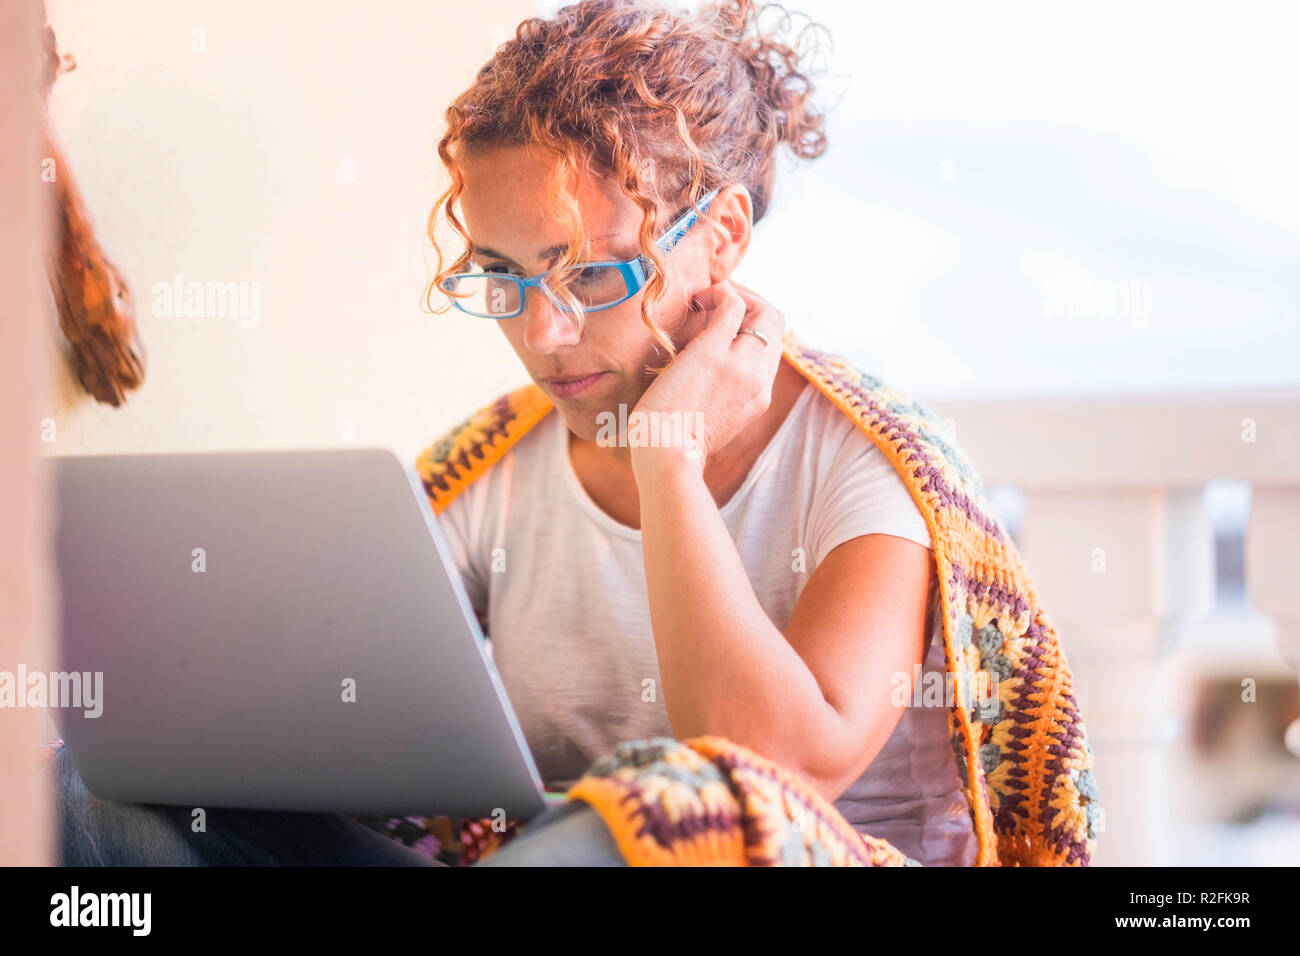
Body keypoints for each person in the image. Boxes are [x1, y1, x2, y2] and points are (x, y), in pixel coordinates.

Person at [54, 0, 978, 866]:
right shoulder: (493, 470)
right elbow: (333, 718)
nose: (541, 337)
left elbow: (769, 779)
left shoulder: (869, 461)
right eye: (503, 277)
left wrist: (669, 467)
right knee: (82, 794)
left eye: (586, 278)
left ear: (724, 234)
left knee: (641, 819)